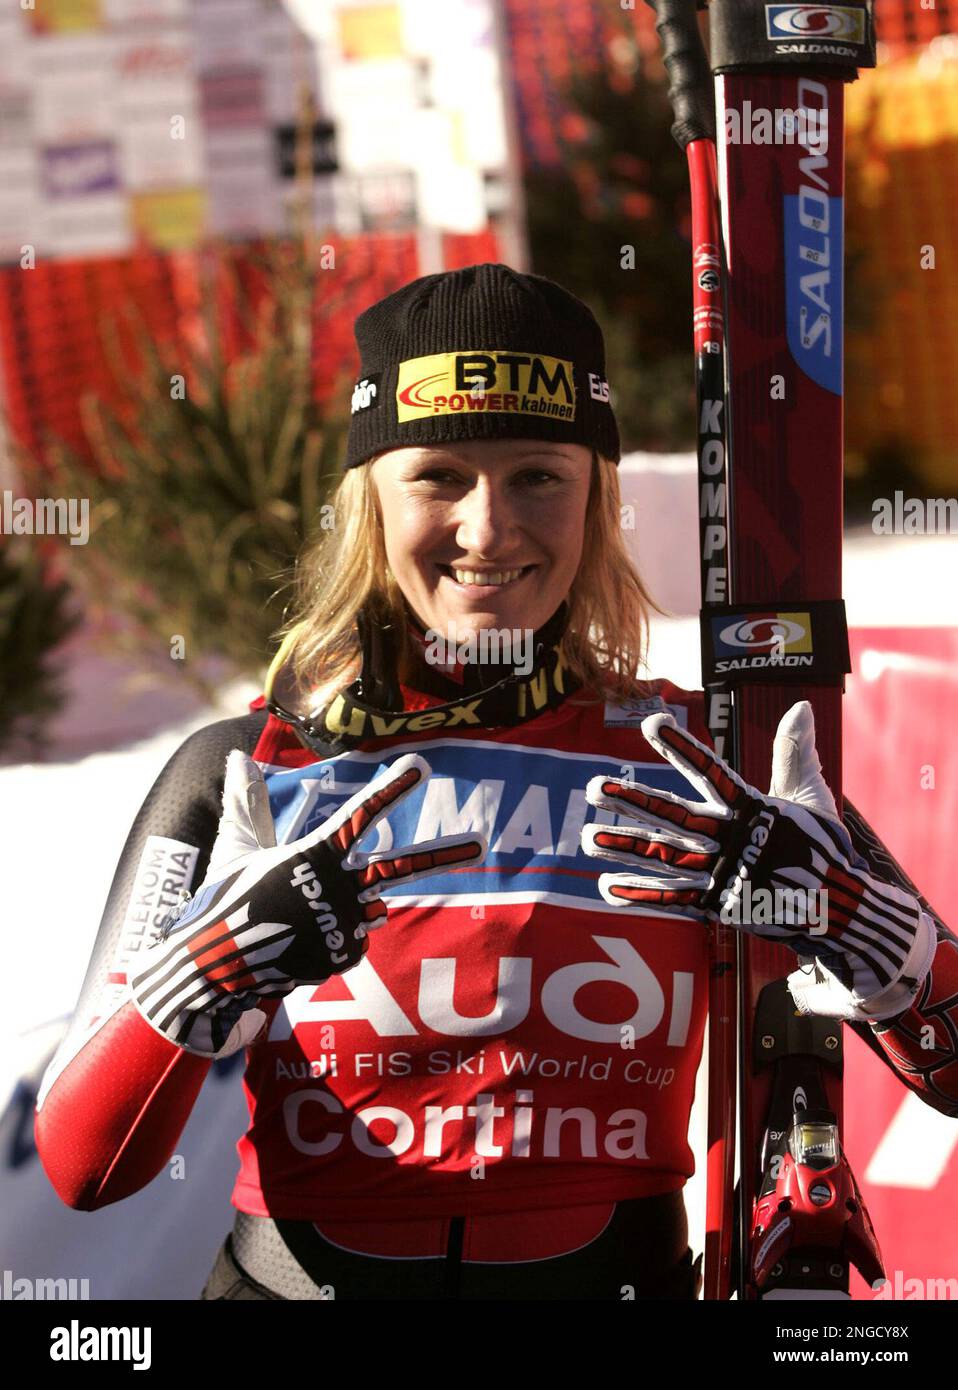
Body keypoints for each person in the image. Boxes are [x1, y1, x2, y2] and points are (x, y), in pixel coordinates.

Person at [35, 263, 958, 1301]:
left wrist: (845, 916)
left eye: (537, 476)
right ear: (369, 501)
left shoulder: (702, 760)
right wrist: (209, 967)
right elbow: (82, 1166)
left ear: (594, 499)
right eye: (437, 476)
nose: (488, 530)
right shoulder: (244, 773)